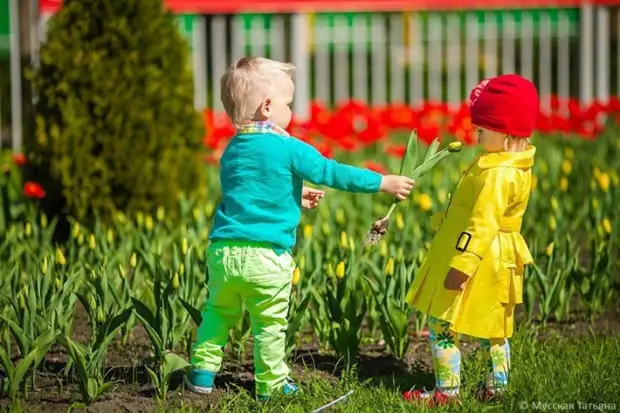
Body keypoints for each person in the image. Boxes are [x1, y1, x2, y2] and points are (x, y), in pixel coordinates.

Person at [186, 56, 415, 400]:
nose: (291, 112)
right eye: (288, 104)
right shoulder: (288, 147)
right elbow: (331, 172)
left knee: (218, 312)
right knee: (269, 325)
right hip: (267, 256)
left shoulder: (231, 150)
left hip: (224, 253)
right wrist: (382, 182)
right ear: (267, 106)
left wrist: (295, 193)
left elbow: (249, 190)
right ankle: (271, 384)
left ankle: (201, 375)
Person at [400, 74, 539, 406]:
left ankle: (447, 393)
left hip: (478, 257)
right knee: (495, 327)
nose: (476, 137)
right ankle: (497, 387)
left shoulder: (497, 174)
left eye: (482, 130)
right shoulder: (511, 165)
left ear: (504, 133)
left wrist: (461, 265)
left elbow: (482, 223)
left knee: (442, 323)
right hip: (499, 257)